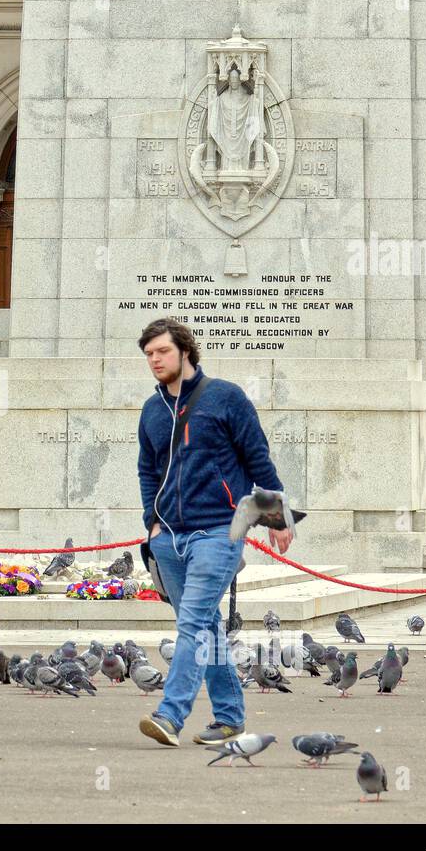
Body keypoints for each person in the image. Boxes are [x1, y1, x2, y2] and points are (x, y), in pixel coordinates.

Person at [134, 318, 291, 749]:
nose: (154, 360)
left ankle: (170, 715)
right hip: (168, 537)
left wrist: (278, 518)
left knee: (191, 623)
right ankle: (229, 718)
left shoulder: (225, 398)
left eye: (161, 351)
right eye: (148, 354)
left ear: (185, 351)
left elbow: (258, 458)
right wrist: (151, 520)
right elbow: (148, 469)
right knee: (206, 627)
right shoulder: (151, 411)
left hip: (220, 531)